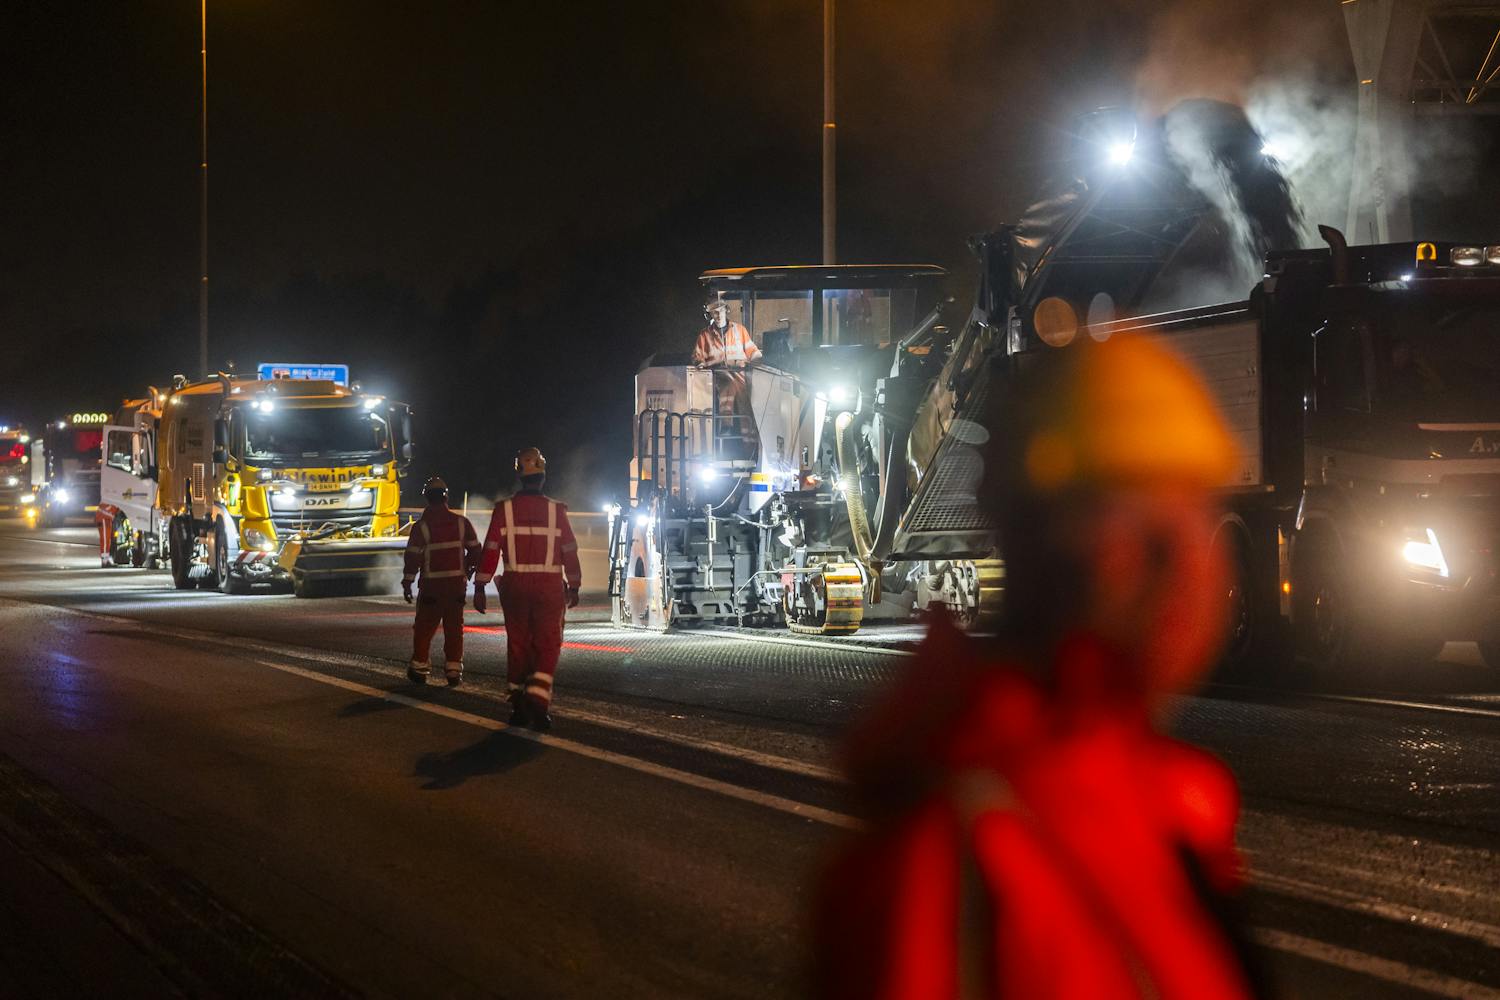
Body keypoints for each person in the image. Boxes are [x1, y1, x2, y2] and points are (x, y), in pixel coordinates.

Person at [814, 334, 1263, 999]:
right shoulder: (961, 854)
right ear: (1123, 555)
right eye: (1184, 523)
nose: (1206, 568)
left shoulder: (1154, 799)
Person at [473, 447, 582, 732]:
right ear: (543, 477)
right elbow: (569, 550)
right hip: (548, 587)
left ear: (520, 476)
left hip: (514, 586)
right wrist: (575, 584)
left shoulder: (503, 510)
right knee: (548, 645)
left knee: (518, 644)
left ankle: (518, 705)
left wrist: (481, 585)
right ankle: (538, 700)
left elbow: (491, 550)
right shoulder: (557, 511)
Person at [402, 475, 481, 687]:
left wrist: (407, 582)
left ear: (427, 498)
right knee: (454, 628)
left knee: (424, 628)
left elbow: (412, 557)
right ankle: (454, 671)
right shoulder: (461, 523)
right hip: (456, 586)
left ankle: (419, 668)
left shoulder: (421, 527)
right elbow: (476, 551)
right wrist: (468, 570)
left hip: (431, 588)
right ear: (446, 497)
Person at [692, 297, 762, 368]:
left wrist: (756, 360)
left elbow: (753, 352)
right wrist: (703, 364)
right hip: (716, 377)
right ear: (710, 314)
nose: (719, 315)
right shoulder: (704, 335)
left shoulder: (740, 330)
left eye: (721, 310)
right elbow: (697, 359)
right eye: (715, 312)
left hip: (739, 377)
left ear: (726, 310)